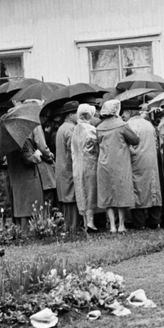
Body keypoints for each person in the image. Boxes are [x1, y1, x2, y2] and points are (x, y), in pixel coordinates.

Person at [94, 98, 140, 232]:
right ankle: (121, 225)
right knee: (121, 192)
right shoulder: (122, 125)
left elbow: (97, 145)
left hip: (104, 163)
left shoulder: (99, 127)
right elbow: (135, 140)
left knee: (107, 193)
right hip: (120, 163)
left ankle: (112, 226)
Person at [125, 106, 162, 228]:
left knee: (138, 191)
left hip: (136, 161)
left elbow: (127, 146)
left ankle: (139, 223)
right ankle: (155, 221)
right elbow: (156, 144)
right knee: (153, 189)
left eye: (123, 113)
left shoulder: (128, 125)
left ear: (129, 111)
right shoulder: (149, 124)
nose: (122, 116)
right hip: (151, 161)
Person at [71, 104, 99, 232]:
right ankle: (91, 222)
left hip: (77, 165)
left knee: (81, 190)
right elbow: (96, 146)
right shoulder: (90, 129)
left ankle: (86, 221)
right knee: (90, 191)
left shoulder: (76, 129)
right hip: (90, 164)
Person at [53, 103, 79, 233]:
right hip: (69, 168)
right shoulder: (71, 128)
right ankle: (73, 227)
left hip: (62, 169)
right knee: (72, 199)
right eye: (77, 113)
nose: (79, 115)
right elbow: (73, 149)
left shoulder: (62, 128)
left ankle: (69, 227)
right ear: (70, 114)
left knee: (67, 200)